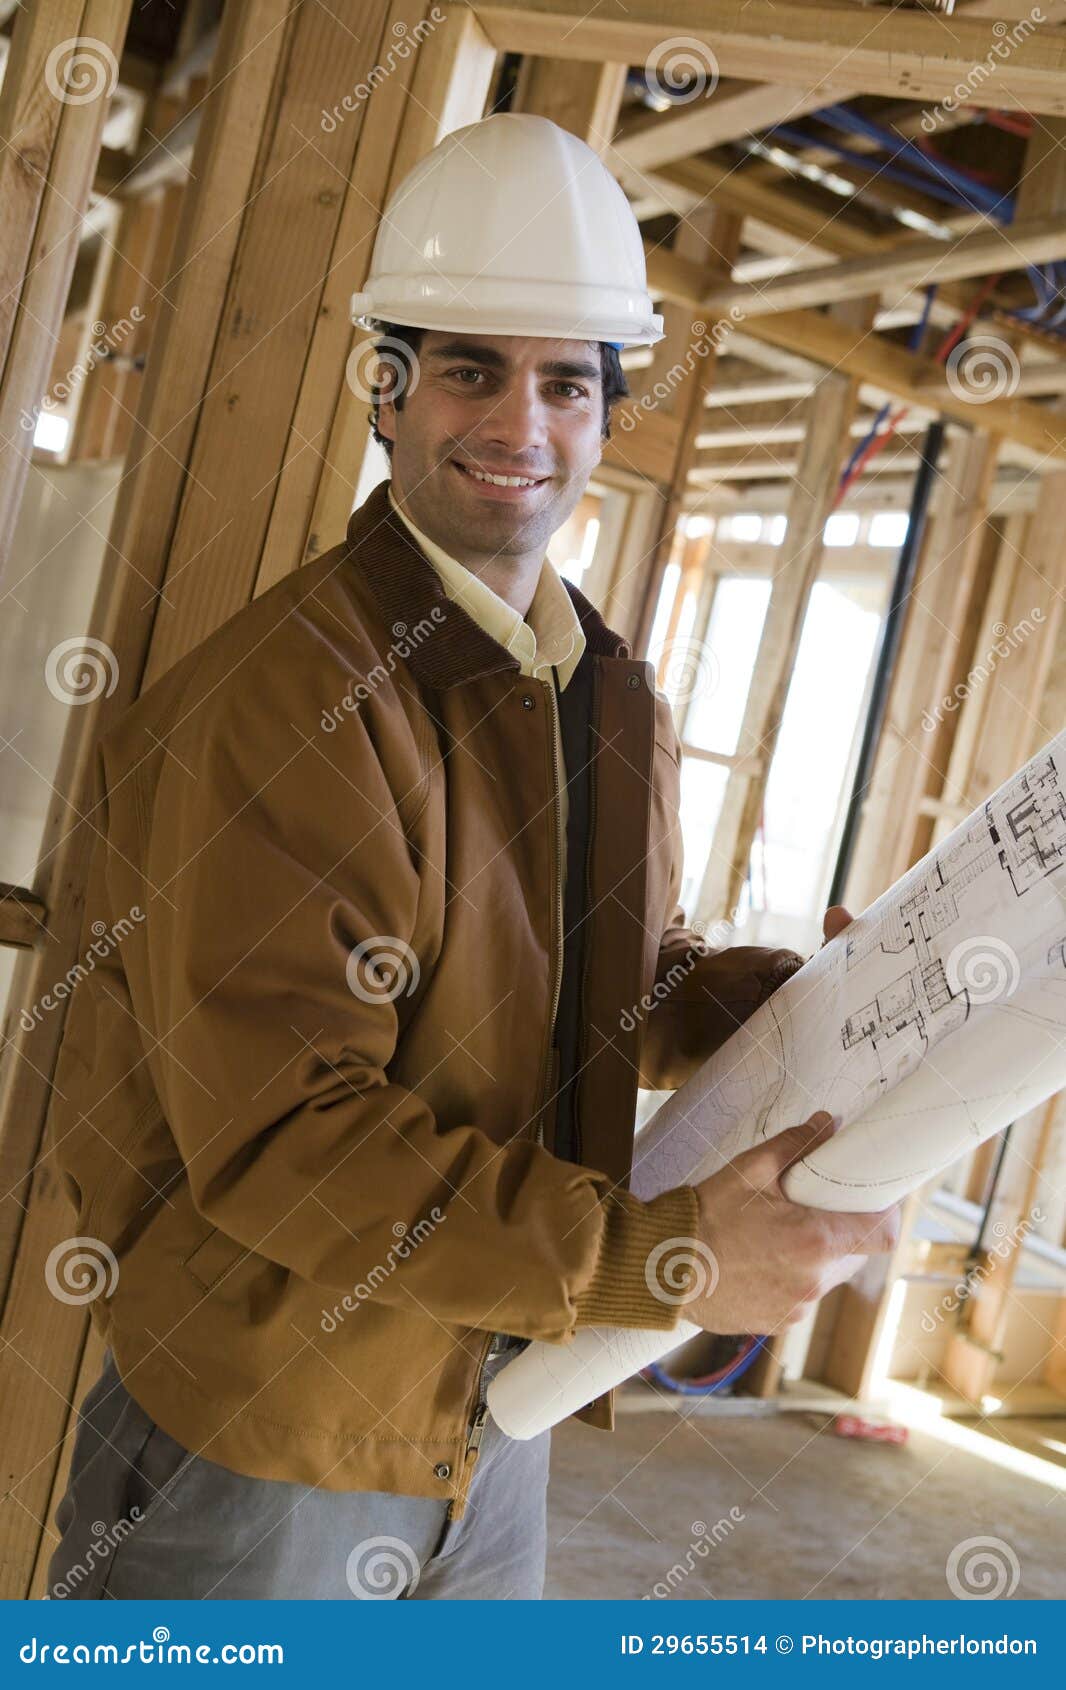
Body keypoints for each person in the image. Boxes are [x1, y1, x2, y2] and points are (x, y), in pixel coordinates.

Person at [45, 114, 899, 1602]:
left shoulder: (603, 688)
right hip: (271, 1433)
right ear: (385, 389)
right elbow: (290, 1137)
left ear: (603, 411)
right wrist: (666, 1259)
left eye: (565, 381)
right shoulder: (291, 699)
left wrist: (798, 1000)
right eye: (468, 369)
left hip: (490, 1410)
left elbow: (609, 979)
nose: (520, 423)